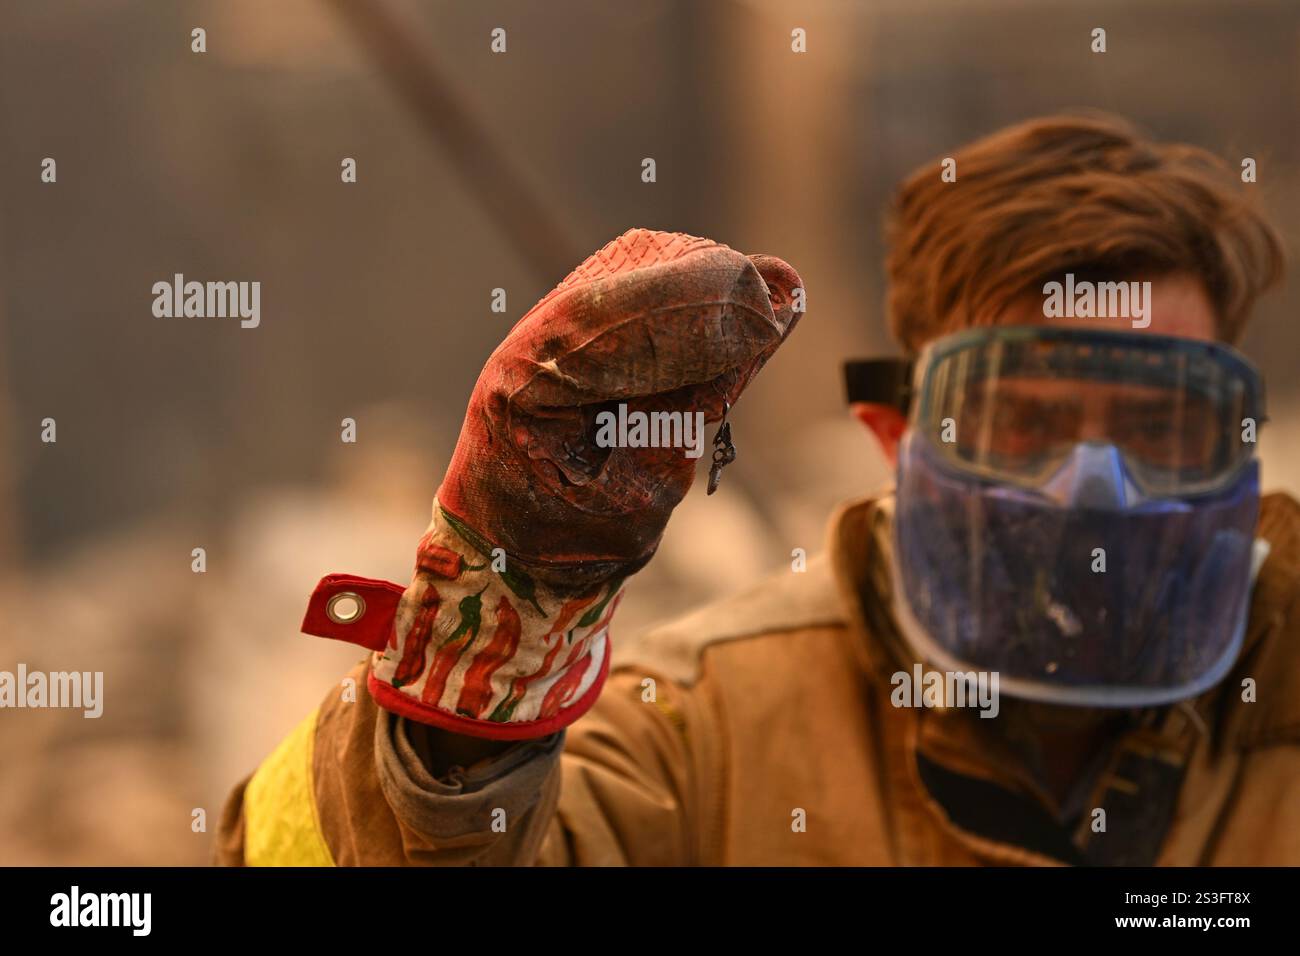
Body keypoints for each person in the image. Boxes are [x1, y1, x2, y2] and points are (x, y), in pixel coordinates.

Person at [216, 113, 1297, 866]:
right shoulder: (703, 735)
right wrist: (488, 661)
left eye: (1163, 427)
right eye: (1025, 424)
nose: (1094, 496)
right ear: (895, 436)